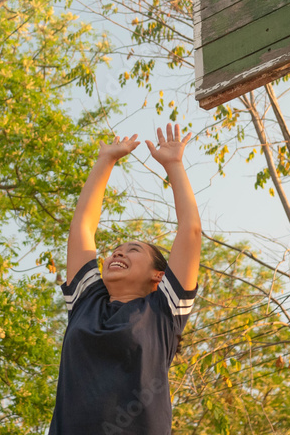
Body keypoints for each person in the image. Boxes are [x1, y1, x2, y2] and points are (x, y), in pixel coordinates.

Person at [48, 124, 201, 435]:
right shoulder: (85, 302)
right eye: (115, 251)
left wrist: (173, 165)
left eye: (131, 250)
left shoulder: (163, 311)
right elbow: (81, 229)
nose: (116, 254)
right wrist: (105, 161)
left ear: (158, 276)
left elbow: (191, 232)